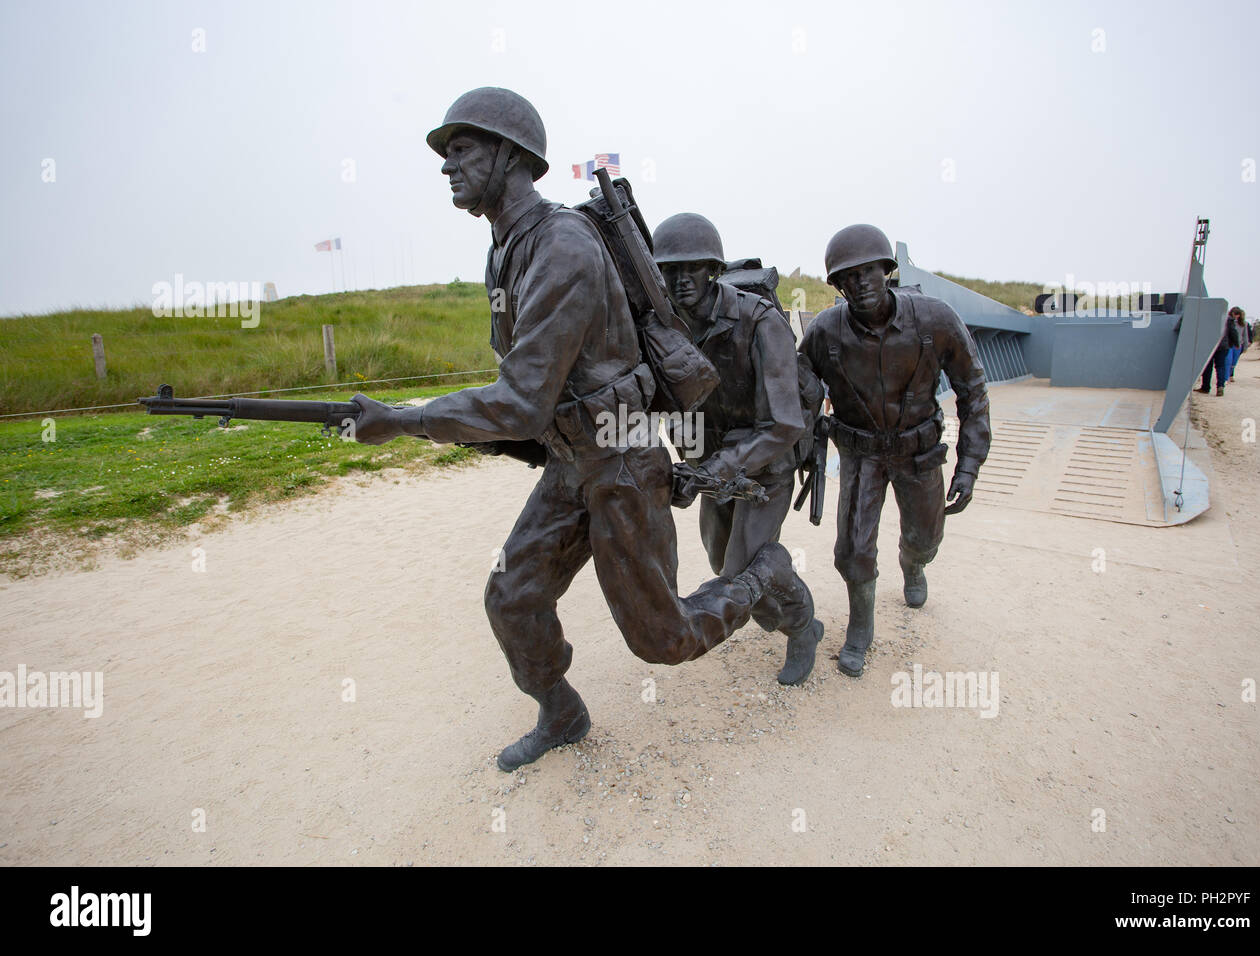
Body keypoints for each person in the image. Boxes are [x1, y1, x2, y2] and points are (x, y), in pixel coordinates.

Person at [346, 88, 805, 772]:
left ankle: (762, 575)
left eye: (462, 148)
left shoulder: (562, 245)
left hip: (622, 463)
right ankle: (561, 712)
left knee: (664, 641)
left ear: (511, 155)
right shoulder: (505, 251)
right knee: (513, 595)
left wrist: (406, 421)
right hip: (573, 460)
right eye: (447, 153)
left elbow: (521, 400)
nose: (447, 164)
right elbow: (533, 388)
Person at [798, 225, 990, 677]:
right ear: (837, 286)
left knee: (926, 539)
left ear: (887, 271)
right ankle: (860, 628)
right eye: (847, 278)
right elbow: (797, 390)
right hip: (861, 454)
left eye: (868, 272)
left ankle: (914, 565)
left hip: (918, 453)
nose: (859, 284)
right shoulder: (825, 332)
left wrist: (969, 466)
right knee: (852, 551)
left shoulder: (935, 320)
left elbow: (973, 391)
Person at [652, 212, 822, 686]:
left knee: (739, 572)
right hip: (711, 466)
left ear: (712, 269)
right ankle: (776, 601)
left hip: (764, 466)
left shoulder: (758, 321)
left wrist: (716, 469)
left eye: (692, 268)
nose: (681, 279)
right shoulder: (665, 326)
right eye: (669, 270)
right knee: (720, 560)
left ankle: (803, 626)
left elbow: (785, 423)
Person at [1196, 308, 1241, 396]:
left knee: (1208, 366)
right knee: (1220, 366)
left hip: (1209, 345)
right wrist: (1236, 343)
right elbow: (1233, 332)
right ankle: (1220, 387)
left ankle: (1205, 387)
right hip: (1223, 346)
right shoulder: (1228, 319)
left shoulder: (1210, 317)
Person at [1226, 307, 1251, 381]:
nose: (1236, 316)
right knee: (1228, 361)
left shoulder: (1244, 323)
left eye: (1238, 314)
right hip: (1229, 344)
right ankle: (1226, 377)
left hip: (1238, 345)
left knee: (1234, 362)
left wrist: (1245, 347)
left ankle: (1230, 375)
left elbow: (1245, 335)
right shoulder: (1228, 321)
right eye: (1235, 314)